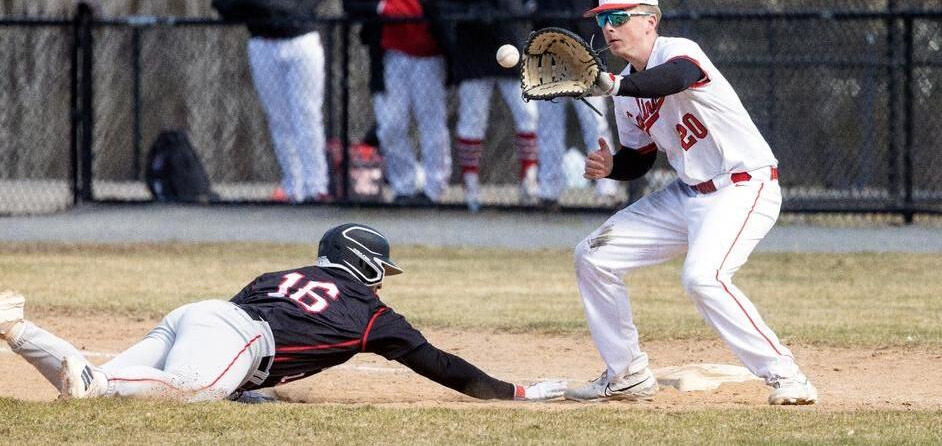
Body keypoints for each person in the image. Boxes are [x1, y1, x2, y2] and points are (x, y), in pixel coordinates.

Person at [564, 0, 817, 405]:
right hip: (687, 194)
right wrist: (611, 167)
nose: (609, 27)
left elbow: (673, 79)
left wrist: (613, 84)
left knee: (703, 277)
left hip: (743, 186)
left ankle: (786, 375)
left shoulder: (679, 51)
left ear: (650, 20)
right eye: (604, 17)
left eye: (619, 15)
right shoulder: (625, 90)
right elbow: (640, 159)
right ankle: (626, 375)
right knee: (593, 255)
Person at [0, 224, 566, 403]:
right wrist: (510, 392)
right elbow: (440, 364)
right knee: (152, 393)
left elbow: (247, 315)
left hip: (199, 314)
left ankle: (16, 327)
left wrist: (248, 390)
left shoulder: (284, 275)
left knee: (93, 399)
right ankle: (77, 367)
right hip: (244, 341)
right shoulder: (372, 314)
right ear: (366, 265)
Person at [423, 0, 539, 212]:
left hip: (511, 44)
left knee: (528, 113)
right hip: (472, 51)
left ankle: (529, 178)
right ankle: (471, 183)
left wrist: (527, 5)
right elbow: (431, 0)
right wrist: (466, 10)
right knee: (473, 120)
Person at [212, 0, 330, 203]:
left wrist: (294, 10)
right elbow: (222, 3)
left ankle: (316, 185)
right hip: (263, 42)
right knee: (279, 118)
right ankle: (293, 185)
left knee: (307, 114)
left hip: (301, 41)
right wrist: (255, 0)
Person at [341, 0, 451, 205]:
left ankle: (435, 188)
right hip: (390, 56)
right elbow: (350, 4)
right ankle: (404, 186)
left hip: (427, 54)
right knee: (390, 123)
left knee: (431, 123)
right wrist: (378, 8)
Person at [522, 0, 619, 209]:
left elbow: (611, 2)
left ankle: (606, 187)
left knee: (595, 123)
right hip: (547, 57)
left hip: (586, 53)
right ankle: (549, 191)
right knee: (549, 127)